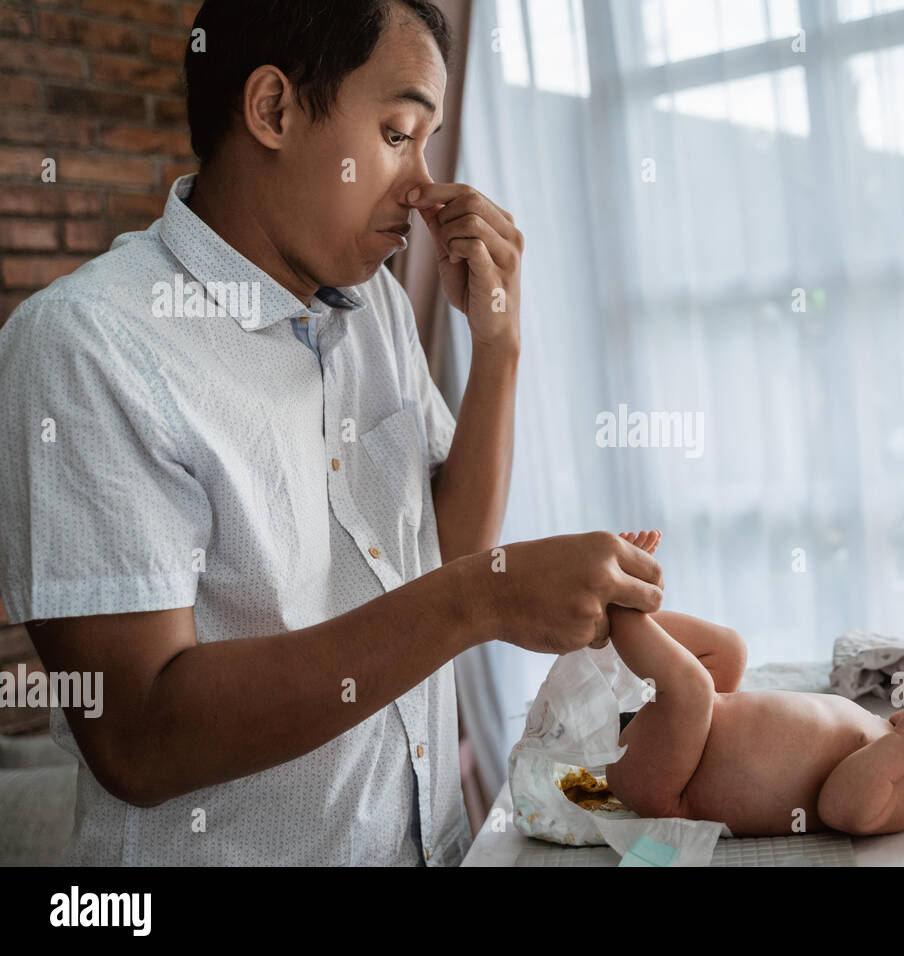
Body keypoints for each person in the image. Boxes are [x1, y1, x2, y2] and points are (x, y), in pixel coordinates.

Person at [0, 0, 661, 866]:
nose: (423, 184)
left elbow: (445, 548)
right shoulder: (89, 345)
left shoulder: (373, 304)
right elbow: (138, 737)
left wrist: (497, 348)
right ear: (273, 109)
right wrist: (485, 597)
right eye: (397, 132)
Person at [604, 532, 904, 836]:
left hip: (670, 787)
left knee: (691, 690)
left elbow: (841, 808)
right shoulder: (871, 722)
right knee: (730, 650)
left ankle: (620, 607)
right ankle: (624, 626)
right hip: (689, 729)